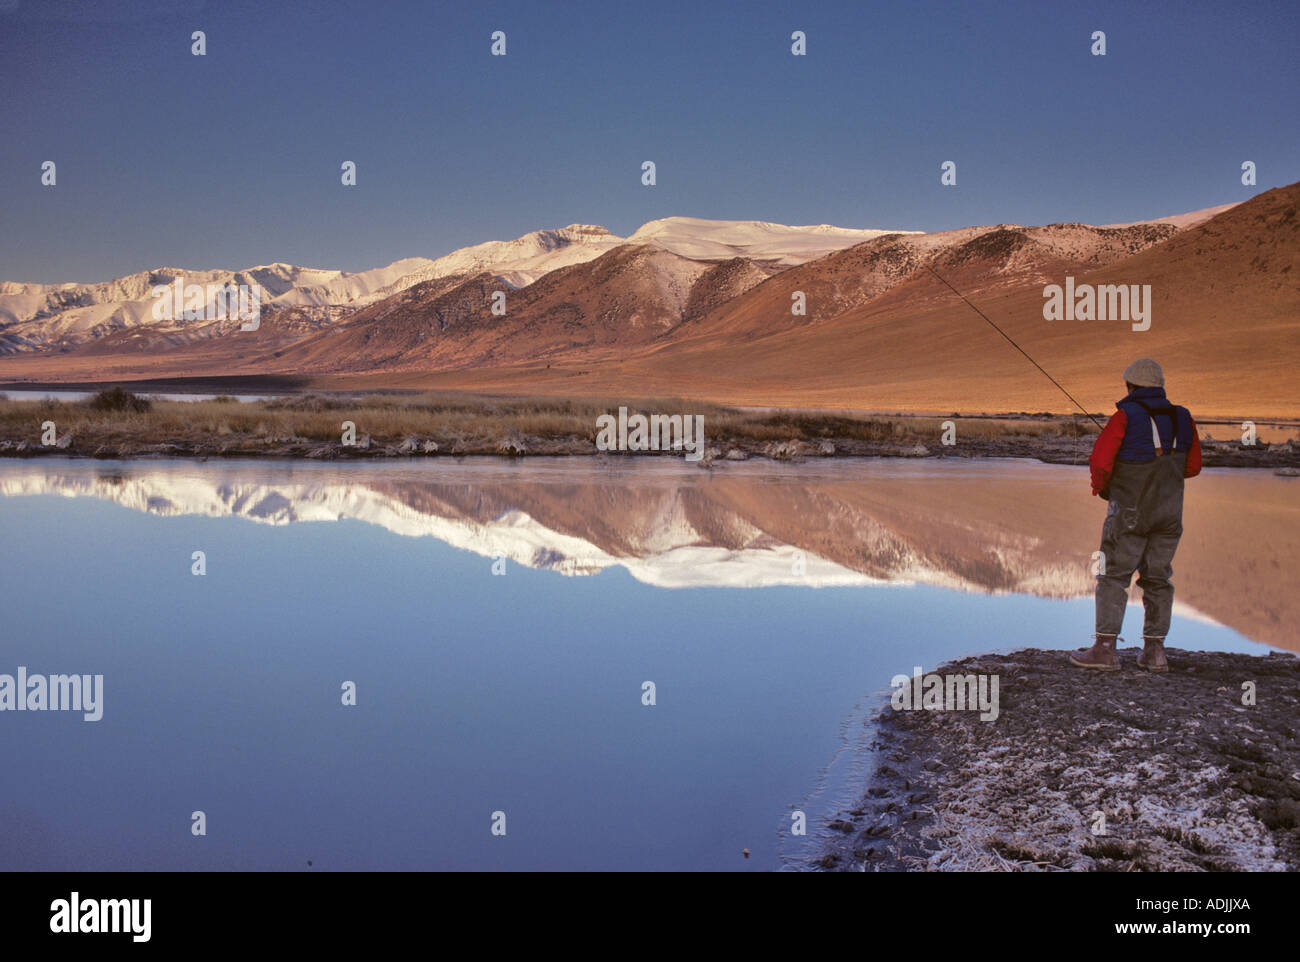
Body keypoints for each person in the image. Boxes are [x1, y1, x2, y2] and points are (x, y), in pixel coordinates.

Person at [1070, 358, 1202, 671]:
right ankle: (1155, 653)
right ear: (1160, 387)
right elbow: (1193, 467)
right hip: (1169, 516)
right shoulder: (1183, 417)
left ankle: (1105, 650)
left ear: (1130, 386)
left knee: (1113, 575)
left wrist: (1105, 490)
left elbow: (1100, 463)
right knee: (1158, 578)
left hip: (1128, 514)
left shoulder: (1124, 417)